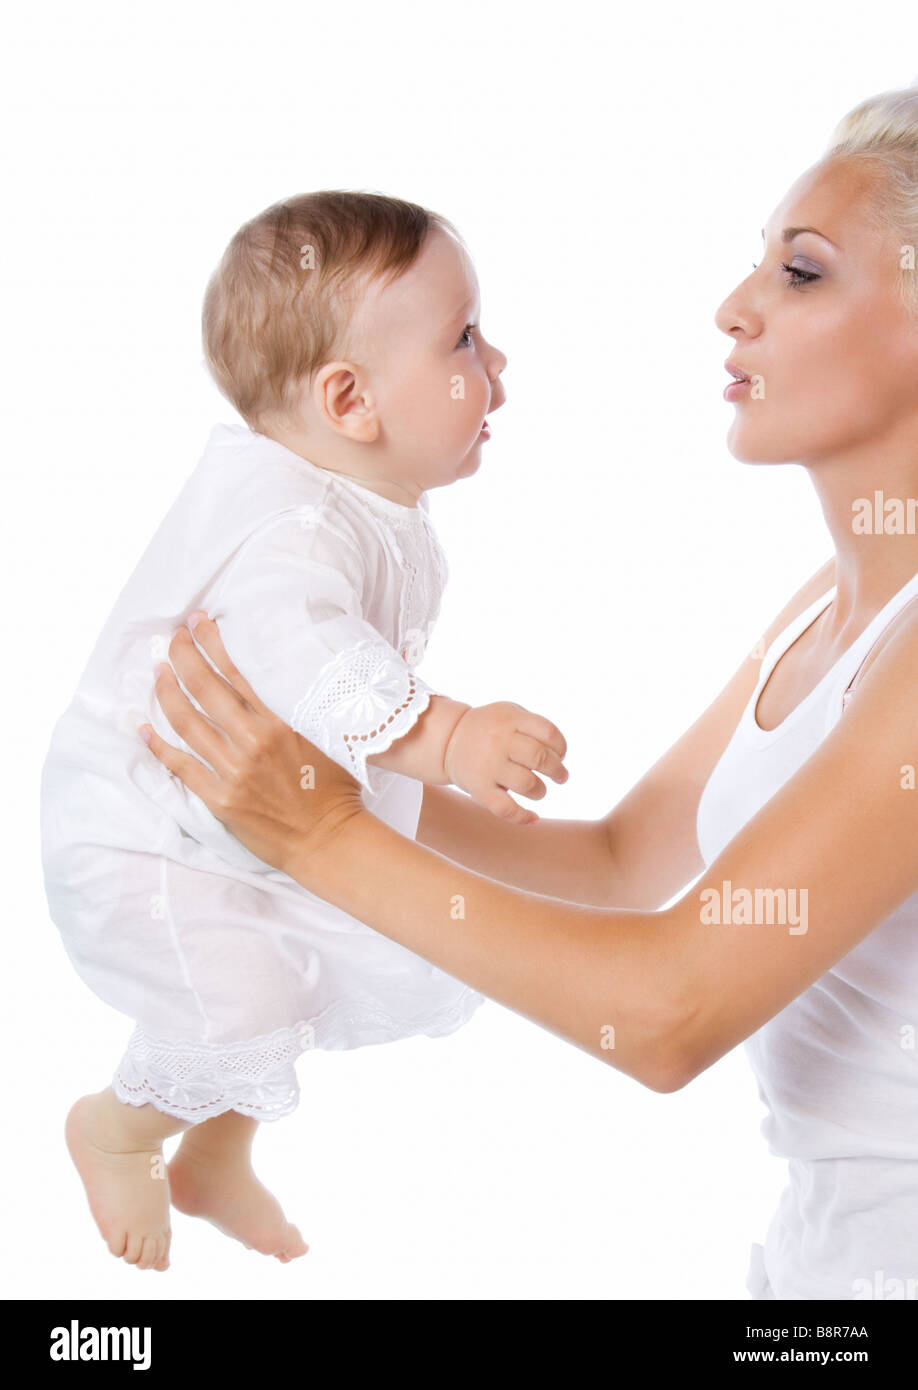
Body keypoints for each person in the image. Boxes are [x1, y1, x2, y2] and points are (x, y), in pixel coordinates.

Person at [143, 85, 918, 1300]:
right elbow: (616, 863)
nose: (735, 308)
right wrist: (288, 782)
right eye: (756, 267)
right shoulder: (829, 608)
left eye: (803, 274)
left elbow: (669, 1013)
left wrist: (321, 832)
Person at [39, 190, 570, 1272]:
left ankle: (216, 1154)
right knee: (242, 995)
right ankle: (120, 1127)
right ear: (350, 399)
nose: (496, 359)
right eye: (463, 338)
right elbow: (301, 649)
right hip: (138, 836)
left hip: (225, 821)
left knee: (317, 966)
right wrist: (452, 734)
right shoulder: (293, 521)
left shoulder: (357, 501)